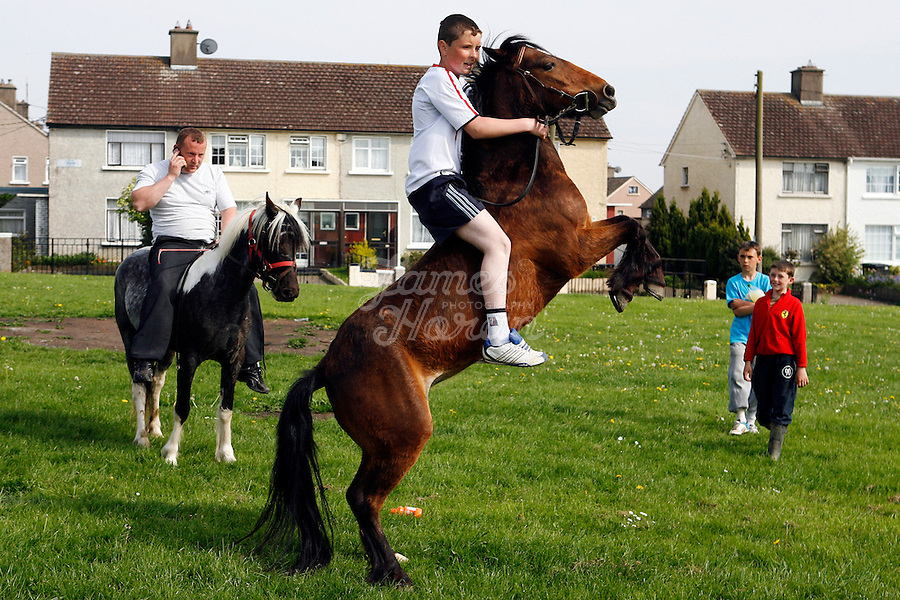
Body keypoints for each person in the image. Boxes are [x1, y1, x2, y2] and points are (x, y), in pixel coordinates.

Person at [405, 13, 549, 367]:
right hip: (436, 184)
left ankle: (499, 330)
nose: (473, 54)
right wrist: (529, 125)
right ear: (443, 47)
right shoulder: (439, 78)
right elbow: (477, 128)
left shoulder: (454, 83)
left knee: (492, 246)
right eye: (465, 47)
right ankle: (498, 338)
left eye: (477, 47)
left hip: (442, 183)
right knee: (498, 243)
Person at [130, 127, 269, 394]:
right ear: (176, 151)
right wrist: (171, 176)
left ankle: (251, 364)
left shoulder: (214, 173)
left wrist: (223, 237)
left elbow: (229, 209)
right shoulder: (154, 171)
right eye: (190, 154)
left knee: (246, 289)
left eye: (201, 155)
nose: (196, 160)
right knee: (164, 287)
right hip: (171, 247)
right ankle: (146, 358)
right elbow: (139, 203)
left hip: (207, 247)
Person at [743, 260, 809, 460]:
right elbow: (753, 333)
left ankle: (774, 451)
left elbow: (799, 337)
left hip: (785, 362)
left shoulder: (794, 305)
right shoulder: (761, 304)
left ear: (790, 280)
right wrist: (748, 360)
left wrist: (802, 367)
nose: (776, 280)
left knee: (782, 401)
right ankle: (776, 427)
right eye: (772, 275)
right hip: (763, 360)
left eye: (781, 276)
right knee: (763, 410)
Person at [725, 241, 771, 435]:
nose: (746, 260)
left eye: (750, 257)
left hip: (762, 337)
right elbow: (736, 311)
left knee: (758, 379)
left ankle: (752, 420)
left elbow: (770, 307)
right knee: (738, 375)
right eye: (742, 256)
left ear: (759, 259)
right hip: (740, 336)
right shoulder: (733, 282)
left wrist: (747, 305)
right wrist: (758, 304)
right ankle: (740, 418)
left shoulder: (766, 281)